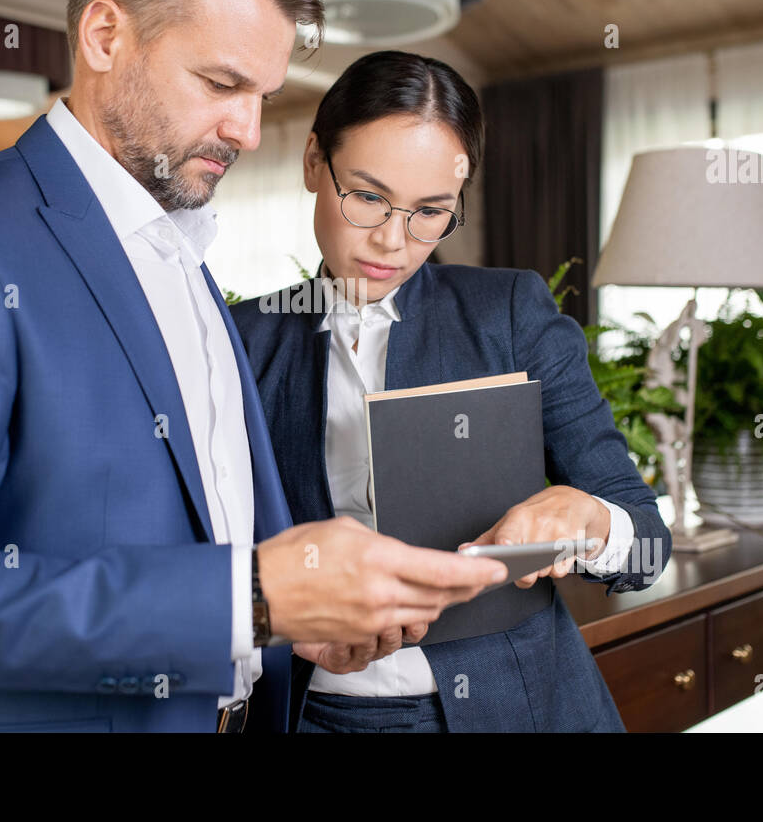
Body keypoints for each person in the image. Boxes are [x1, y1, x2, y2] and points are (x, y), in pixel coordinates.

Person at [0, 0, 506, 734]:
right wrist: (247, 598)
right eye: (222, 83)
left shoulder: (184, 254)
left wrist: (288, 628)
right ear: (105, 36)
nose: (249, 130)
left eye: (262, 94)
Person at [230, 50, 673, 732]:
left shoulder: (508, 313)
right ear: (315, 161)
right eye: (369, 196)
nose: (393, 240)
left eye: (430, 211)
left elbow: (647, 543)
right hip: (307, 711)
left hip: (513, 710)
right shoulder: (241, 338)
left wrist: (586, 517)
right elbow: (208, 555)